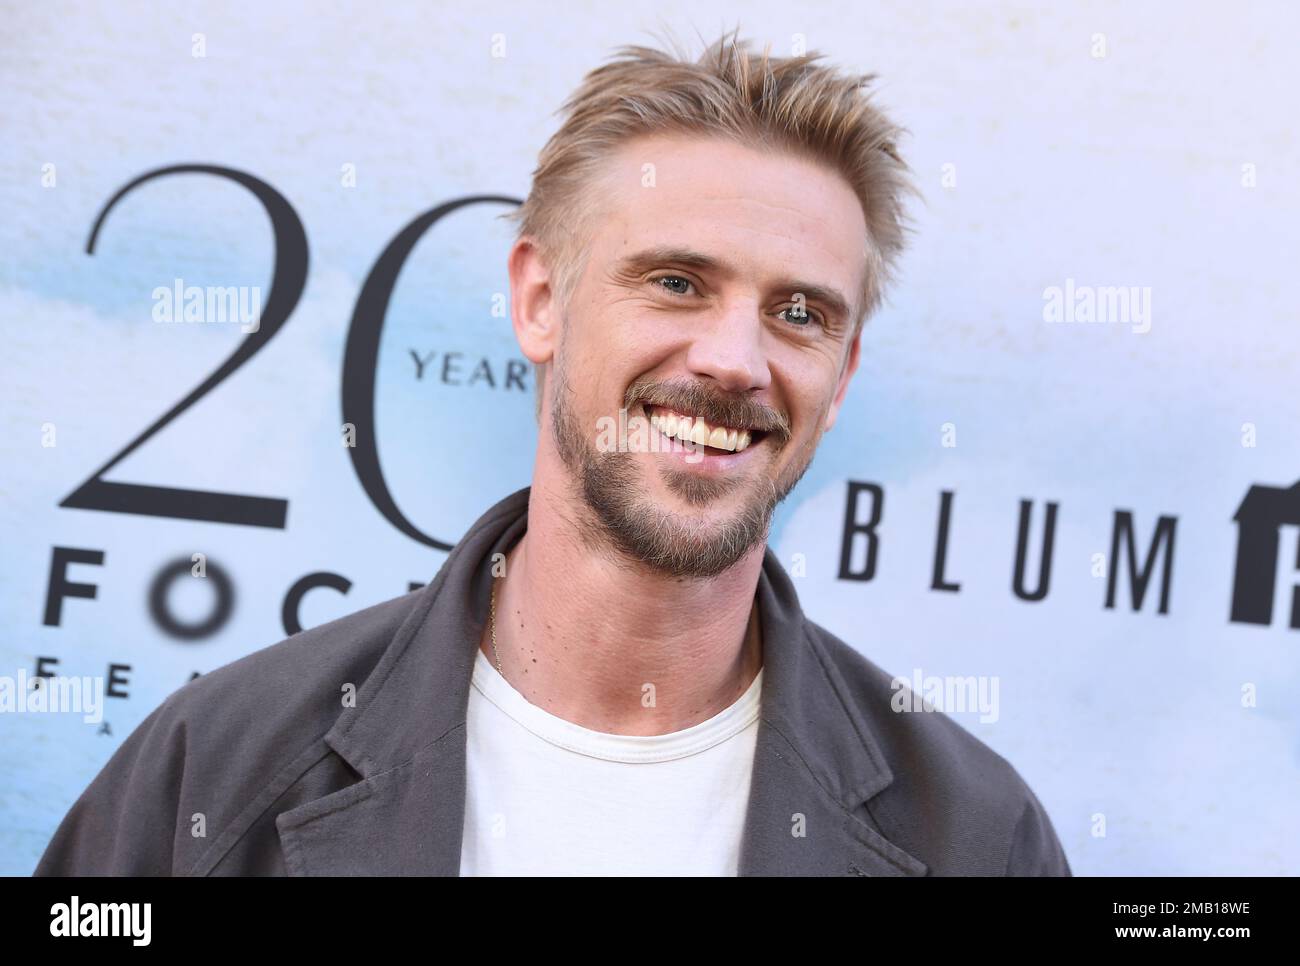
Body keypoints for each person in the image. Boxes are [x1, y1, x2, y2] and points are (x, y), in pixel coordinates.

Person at [35, 30, 1071, 876]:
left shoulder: (976, 840)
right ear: (539, 299)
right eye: (675, 282)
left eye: (798, 313)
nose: (733, 360)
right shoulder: (217, 772)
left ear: (840, 378)